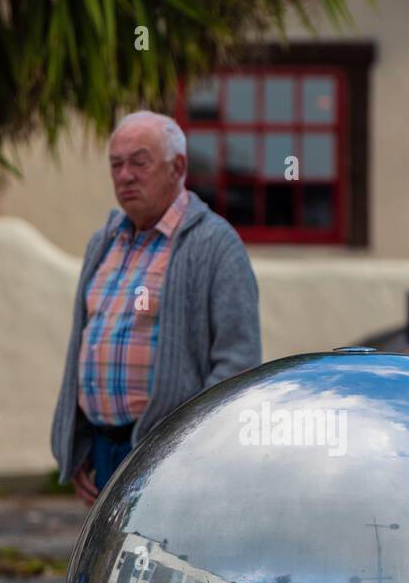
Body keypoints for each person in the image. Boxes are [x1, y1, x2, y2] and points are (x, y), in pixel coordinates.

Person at [51, 110, 261, 505]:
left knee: (160, 563)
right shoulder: (104, 243)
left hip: (171, 456)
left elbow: (239, 364)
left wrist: (186, 449)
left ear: (177, 167)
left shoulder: (216, 245)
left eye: (139, 162)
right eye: (116, 164)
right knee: (110, 566)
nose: (125, 175)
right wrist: (78, 446)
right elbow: (85, 344)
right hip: (102, 448)